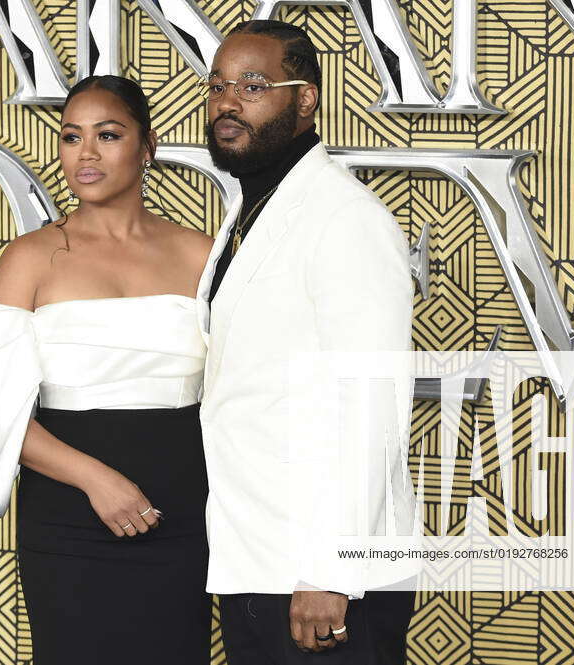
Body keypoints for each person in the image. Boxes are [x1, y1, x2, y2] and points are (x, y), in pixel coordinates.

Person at [0, 74, 214, 665]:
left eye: (107, 135)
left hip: (184, 512)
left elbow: (242, 390)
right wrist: (94, 479)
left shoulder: (201, 253)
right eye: (70, 136)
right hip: (68, 519)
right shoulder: (29, 257)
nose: (85, 153)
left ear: (148, 146)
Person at [195, 20, 419, 664]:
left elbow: (373, 404)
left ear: (306, 98)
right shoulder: (250, 212)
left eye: (253, 85)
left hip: (322, 576)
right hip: (256, 558)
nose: (226, 102)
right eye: (217, 86)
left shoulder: (347, 220)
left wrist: (329, 570)